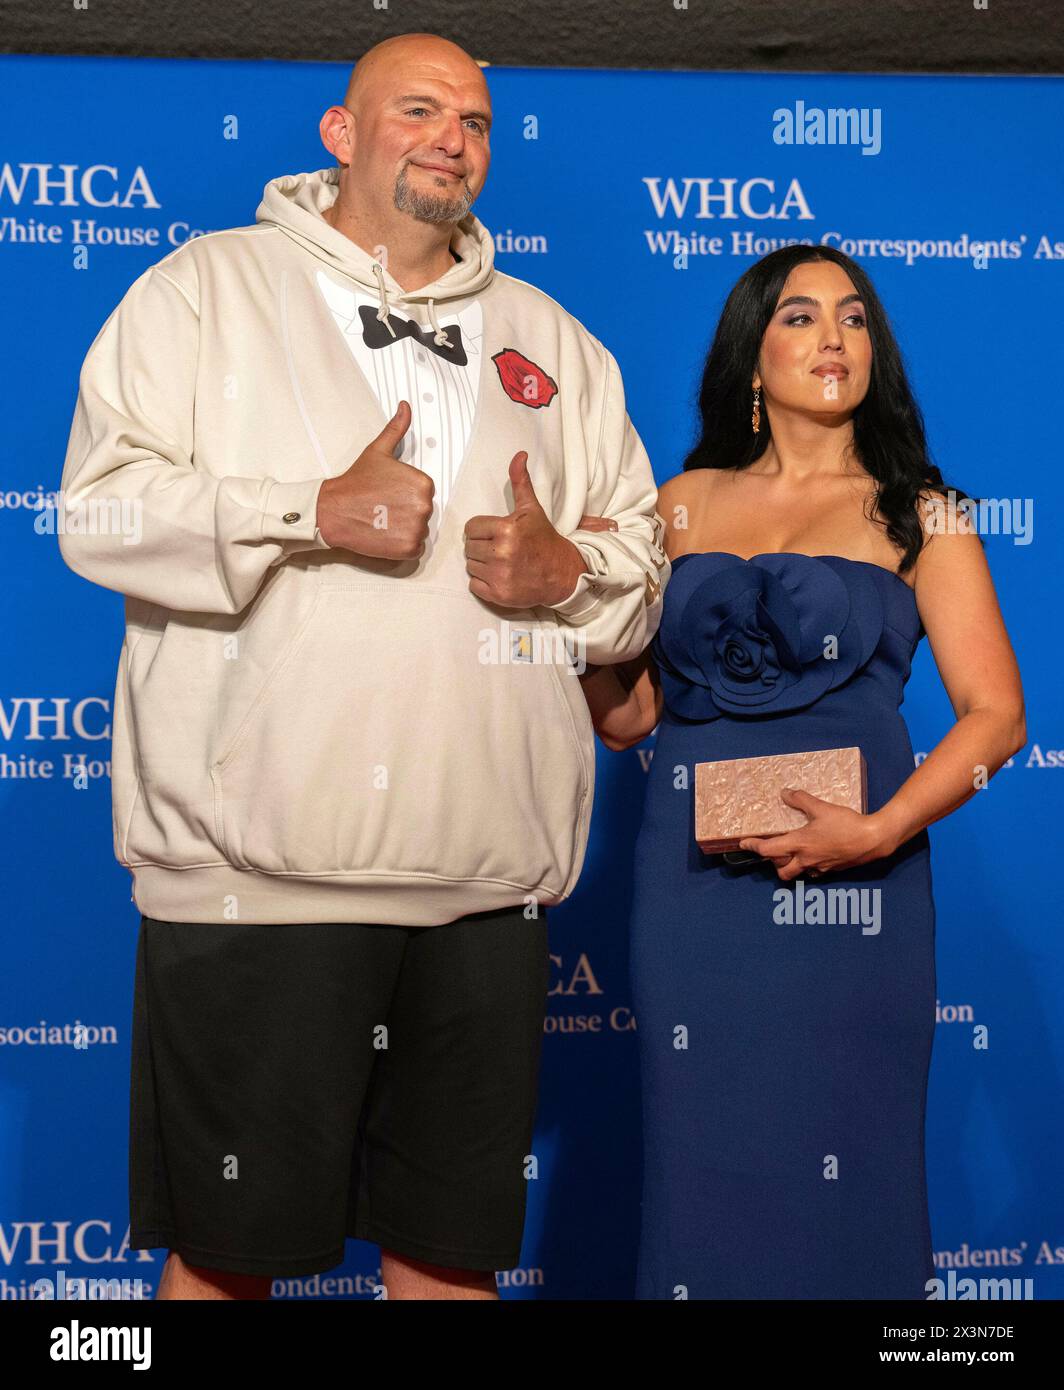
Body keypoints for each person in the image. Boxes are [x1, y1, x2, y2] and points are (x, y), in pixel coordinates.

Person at [58, 32, 669, 1300]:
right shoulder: (201, 291)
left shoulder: (557, 342)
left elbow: (636, 589)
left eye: (478, 119)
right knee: (226, 1265)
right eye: (419, 108)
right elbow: (95, 516)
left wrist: (569, 577)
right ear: (340, 135)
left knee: (447, 1266)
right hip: (252, 890)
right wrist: (307, 509)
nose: (454, 134)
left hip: (485, 893)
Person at [577, 246, 1025, 1299]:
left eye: (854, 317)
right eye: (800, 316)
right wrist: (575, 621)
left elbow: (994, 718)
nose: (834, 336)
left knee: (848, 1161)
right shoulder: (674, 503)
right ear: (750, 357)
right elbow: (628, 717)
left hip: (856, 897)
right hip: (692, 906)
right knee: (700, 1163)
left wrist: (875, 831)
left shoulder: (921, 511)